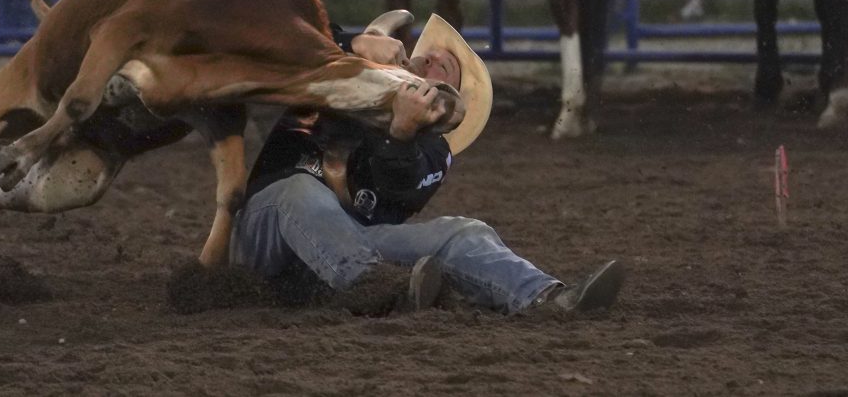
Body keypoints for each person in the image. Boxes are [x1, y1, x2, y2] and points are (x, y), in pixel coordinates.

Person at [230, 19, 624, 316]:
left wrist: (401, 132)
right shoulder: (341, 73)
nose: (430, 57)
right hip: (266, 241)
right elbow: (293, 35)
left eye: (444, 67)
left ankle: (548, 298)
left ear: (447, 98)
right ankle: (382, 290)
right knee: (299, 191)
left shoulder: (433, 149)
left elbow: (402, 182)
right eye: (430, 53)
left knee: (464, 232)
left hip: (338, 259)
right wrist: (355, 41)